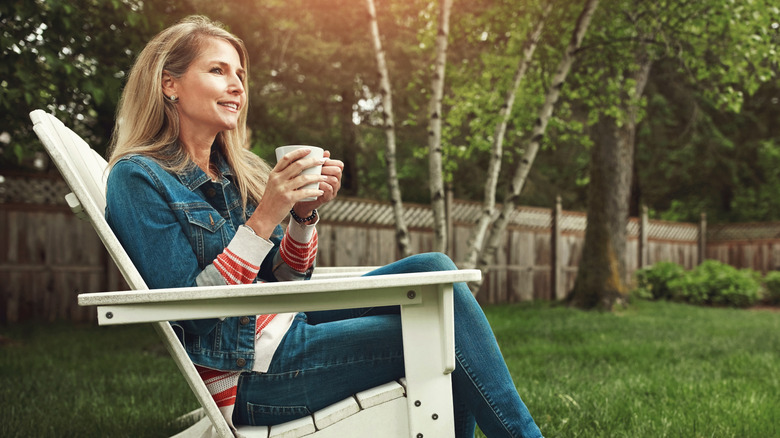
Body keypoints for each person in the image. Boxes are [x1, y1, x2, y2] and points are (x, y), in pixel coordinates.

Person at [105, 15, 543, 438]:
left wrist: (301, 216)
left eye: (240, 73)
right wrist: (265, 217)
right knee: (441, 332)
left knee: (435, 267)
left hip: (291, 323)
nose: (237, 85)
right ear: (170, 84)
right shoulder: (138, 178)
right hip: (252, 372)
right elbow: (190, 312)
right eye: (218, 71)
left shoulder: (233, 170)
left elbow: (290, 278)